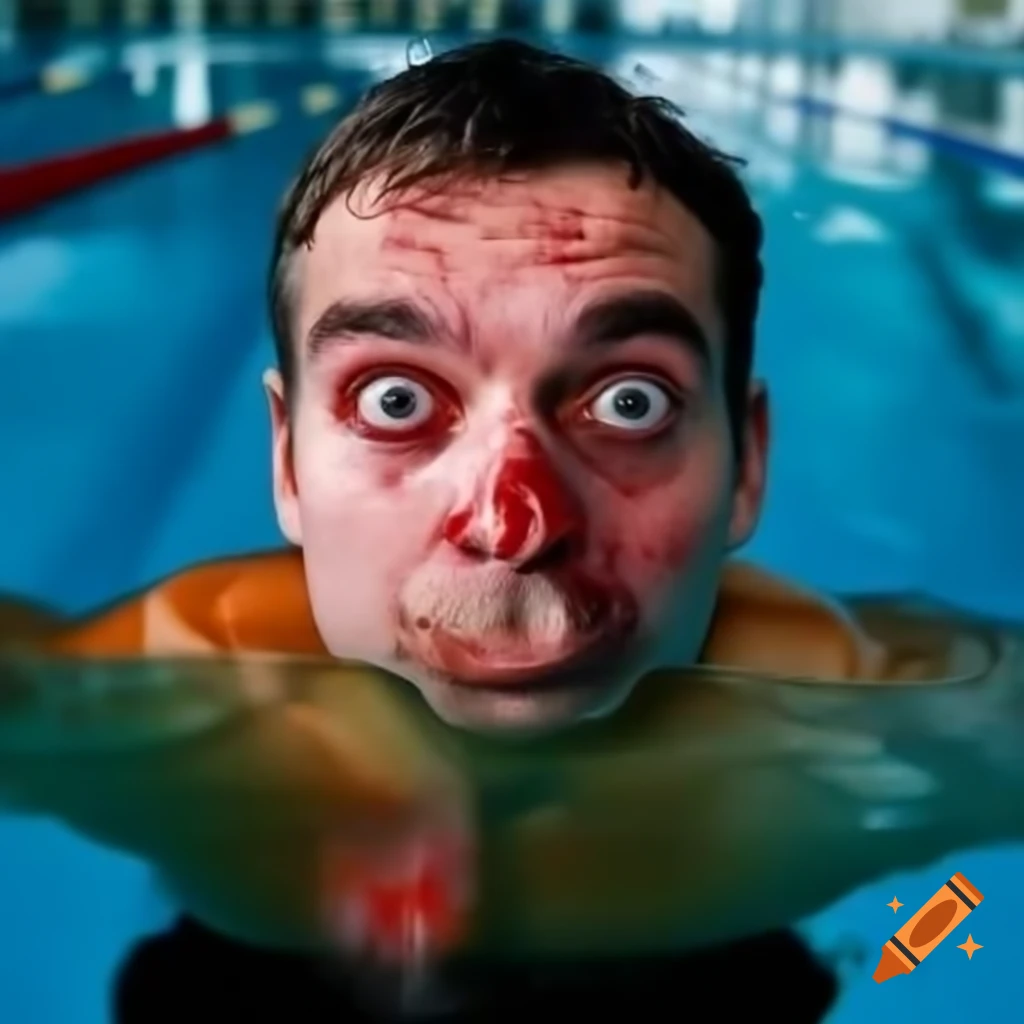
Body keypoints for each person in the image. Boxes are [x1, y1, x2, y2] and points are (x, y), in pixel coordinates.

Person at [0, 39, 1020, 1023]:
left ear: (747, 463)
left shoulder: (890, 733)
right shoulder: (160, 704)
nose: (511, 522)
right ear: (286, 462)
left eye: (628, 402)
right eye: (396, 400)